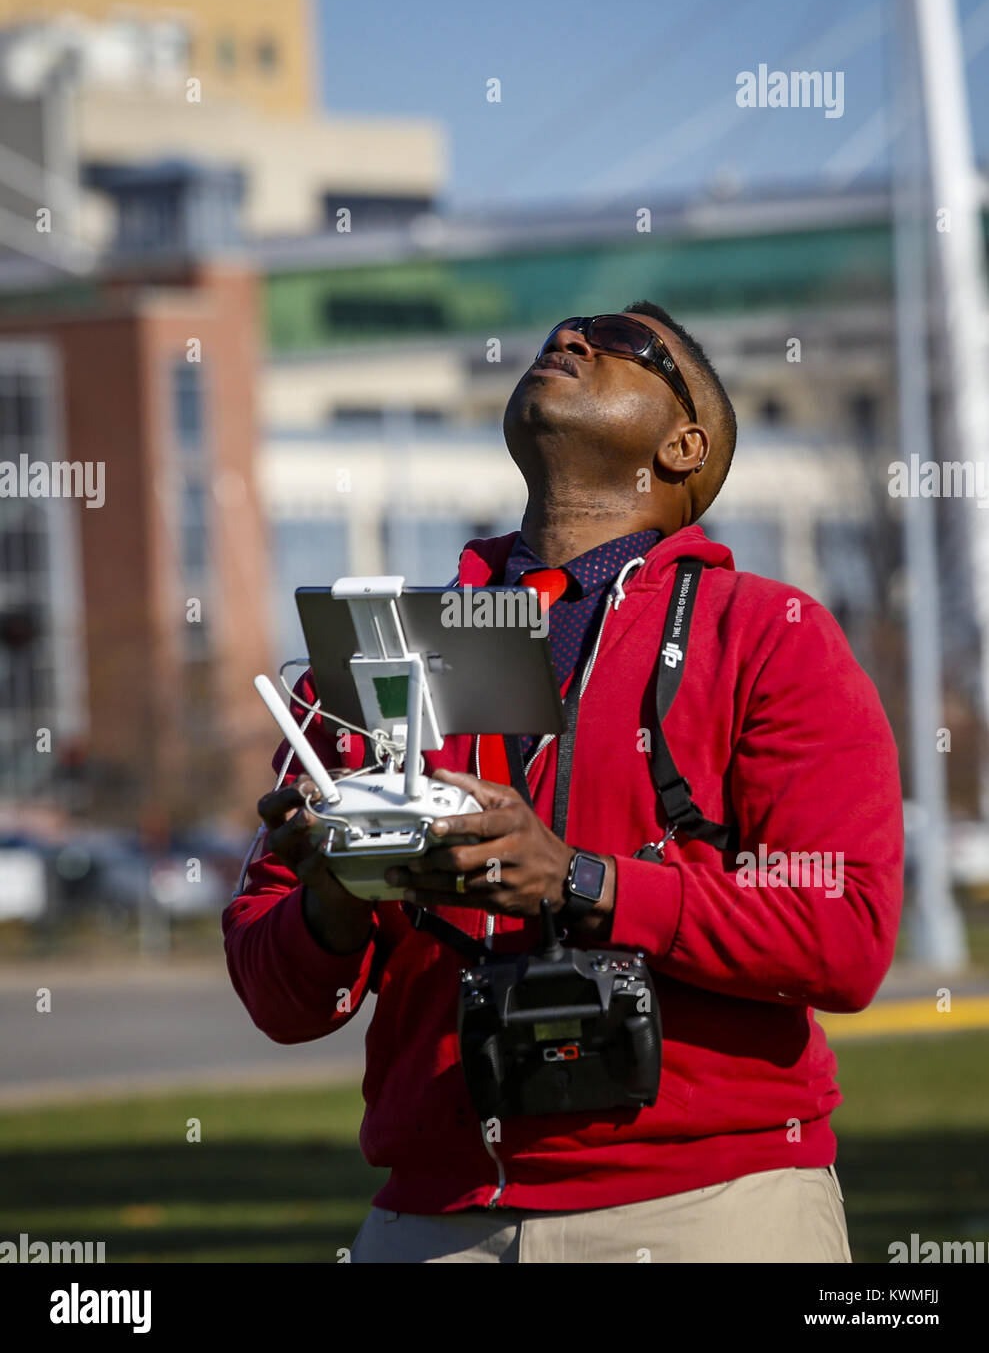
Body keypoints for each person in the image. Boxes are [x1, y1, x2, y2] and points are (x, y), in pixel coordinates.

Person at [223, 301, 903, 1264]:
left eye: (621, 345)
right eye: (559, 335)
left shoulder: (767, 635)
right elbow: (275, 996)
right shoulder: (382, 652)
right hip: (435, 1216)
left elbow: (844, 934)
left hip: (709, 1208)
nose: (570, 341)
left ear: (683, 447)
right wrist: (334, 895)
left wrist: (584, 883)